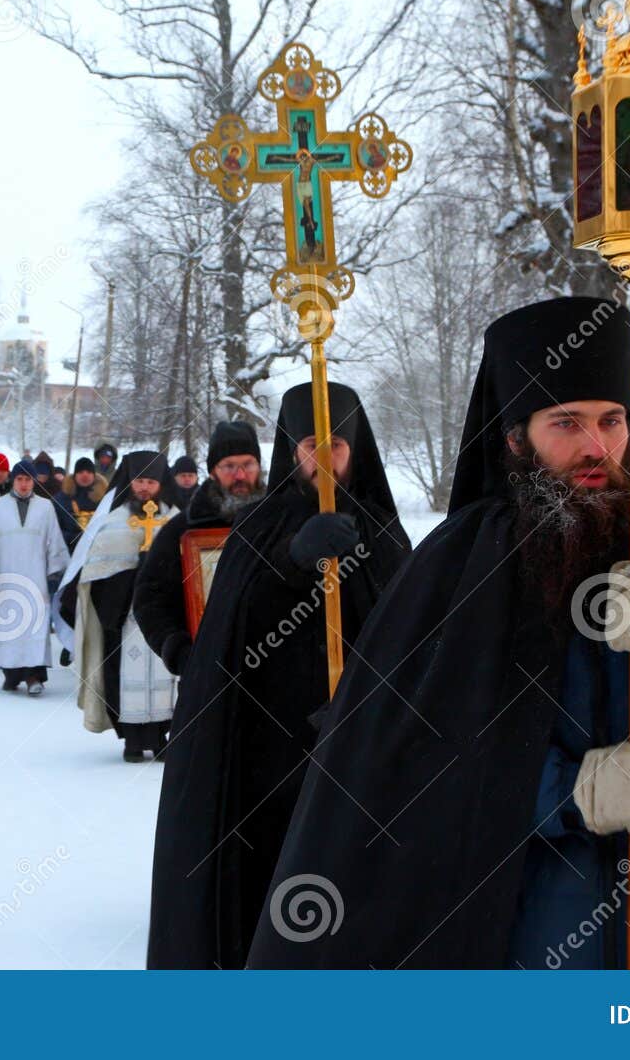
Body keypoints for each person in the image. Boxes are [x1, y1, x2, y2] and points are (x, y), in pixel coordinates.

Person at [248, 297, 630, 969]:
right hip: (533, 953)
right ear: (516, 437)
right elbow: (410, 774)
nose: (596, 447)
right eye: (566, 424)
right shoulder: (461, 568)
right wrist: (574, 793)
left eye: (611, 421)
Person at [146, 383, 411, 969]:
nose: (325, 459)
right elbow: (231, 636)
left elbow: (416, 640)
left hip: (363, 754)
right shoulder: (258, 530)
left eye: (337, 445)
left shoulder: (386, 534)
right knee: (274, 892)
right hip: (269, 757)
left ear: (356, 448)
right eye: (313, 445)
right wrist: (292, 563)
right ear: (293, 449)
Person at [58, 451, 181, 762]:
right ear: (130, 482)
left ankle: (161, 736)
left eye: (151, 481)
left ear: (160, 484)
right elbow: (97, 577)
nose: (144, 488)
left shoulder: (177, 519)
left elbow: (191, 568)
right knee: (124, 676)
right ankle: (132, 741)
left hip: (165, 618)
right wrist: (129, 582)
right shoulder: (112, 523)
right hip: (124, 617)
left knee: (167, 676)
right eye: (139, 481)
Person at [133, 420, 264, 678]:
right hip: (207, 677)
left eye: (248, 464)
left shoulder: (278, 521)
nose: (240, 475)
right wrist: (180, 652)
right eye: (229, 466)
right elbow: (149, 597)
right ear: (213, 471)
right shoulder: (182, 530)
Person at [0, 460, 70, 696]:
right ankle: (11, 675)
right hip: (6, 577)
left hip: (36, 577)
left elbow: (54, 540)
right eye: (20, 479)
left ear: (34, 481)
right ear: (13, 480)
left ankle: (35, 676)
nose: (24, 484)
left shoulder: (45, 507)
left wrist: (55, 571)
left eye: (28, 480)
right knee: (10, 626)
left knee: (35, 625)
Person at [61, 457, 107, 527]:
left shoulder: (105, 499)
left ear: (94, 476)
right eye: (80, 472)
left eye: (89, 472)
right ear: (74, 476)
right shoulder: (61, 499)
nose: (85, 475)